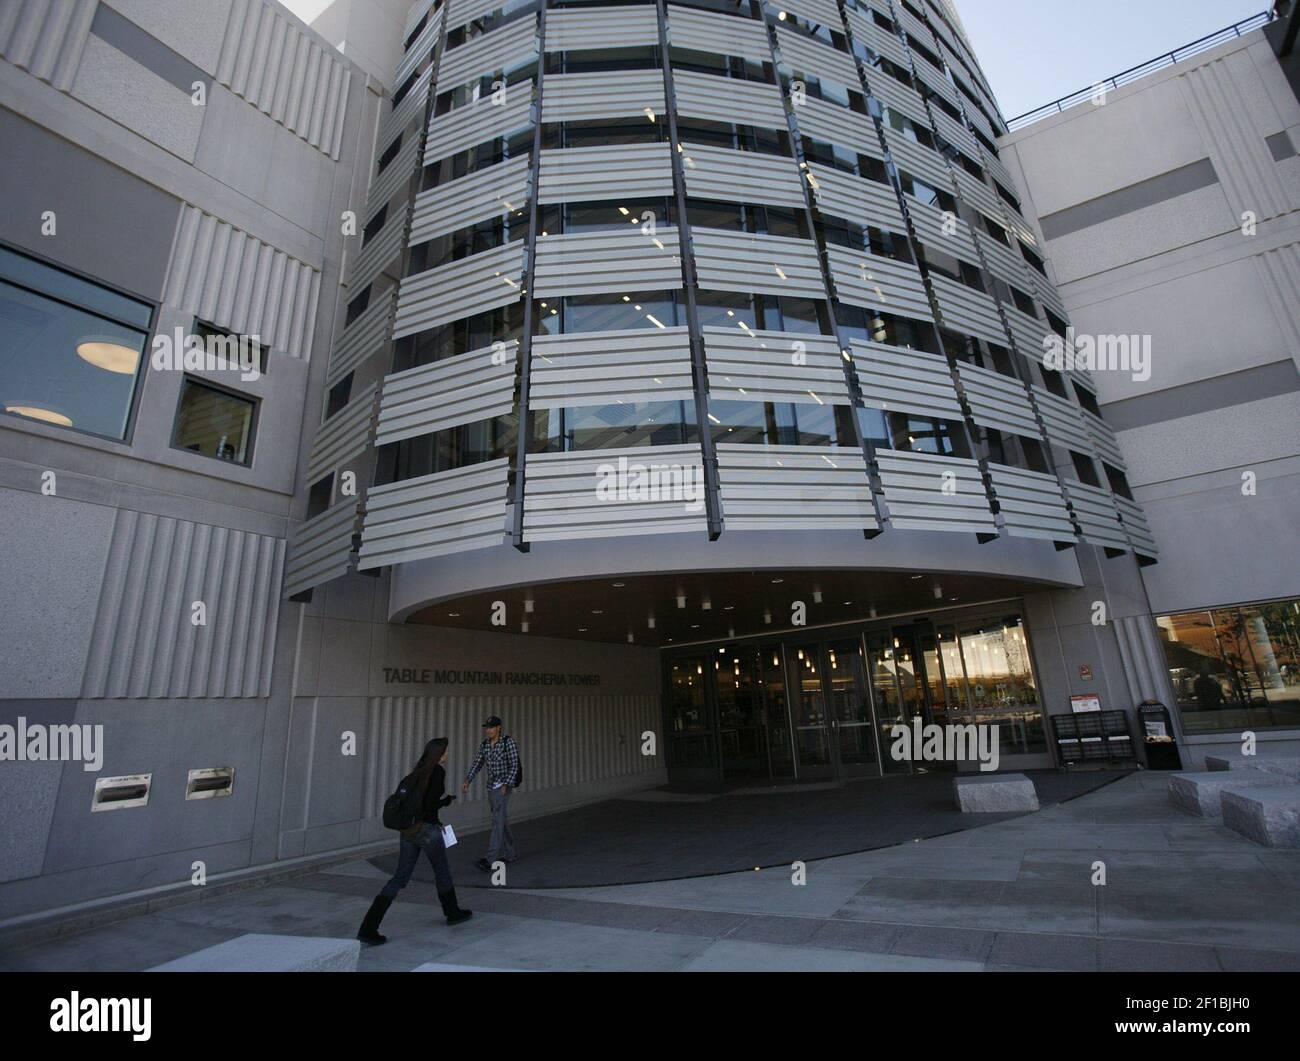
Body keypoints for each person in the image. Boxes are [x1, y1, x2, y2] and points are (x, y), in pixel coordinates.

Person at [357, 737, 471, 946]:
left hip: (408, 830)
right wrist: (442, 805)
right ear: (438, 755)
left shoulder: (418, 772)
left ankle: (368, 926)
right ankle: (452, 912)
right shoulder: (437, 772)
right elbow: (429, 806)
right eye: (444, 752)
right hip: (427, 829)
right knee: (442, 871)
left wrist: (442, 801)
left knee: (400, 878)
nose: (447, 755)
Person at [461, 715, 520, 872]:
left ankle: (491, 858)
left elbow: (514, 765)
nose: (488, 730)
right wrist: (468, 779)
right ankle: (510, 853)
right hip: (491, 788)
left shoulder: (508, 742)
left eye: (491, 727)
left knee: (496, 821)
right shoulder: (485, 745)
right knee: (501, 819)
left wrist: (506, 783)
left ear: (499, 728)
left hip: (503, 787)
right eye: (487, 728)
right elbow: (478, 763)